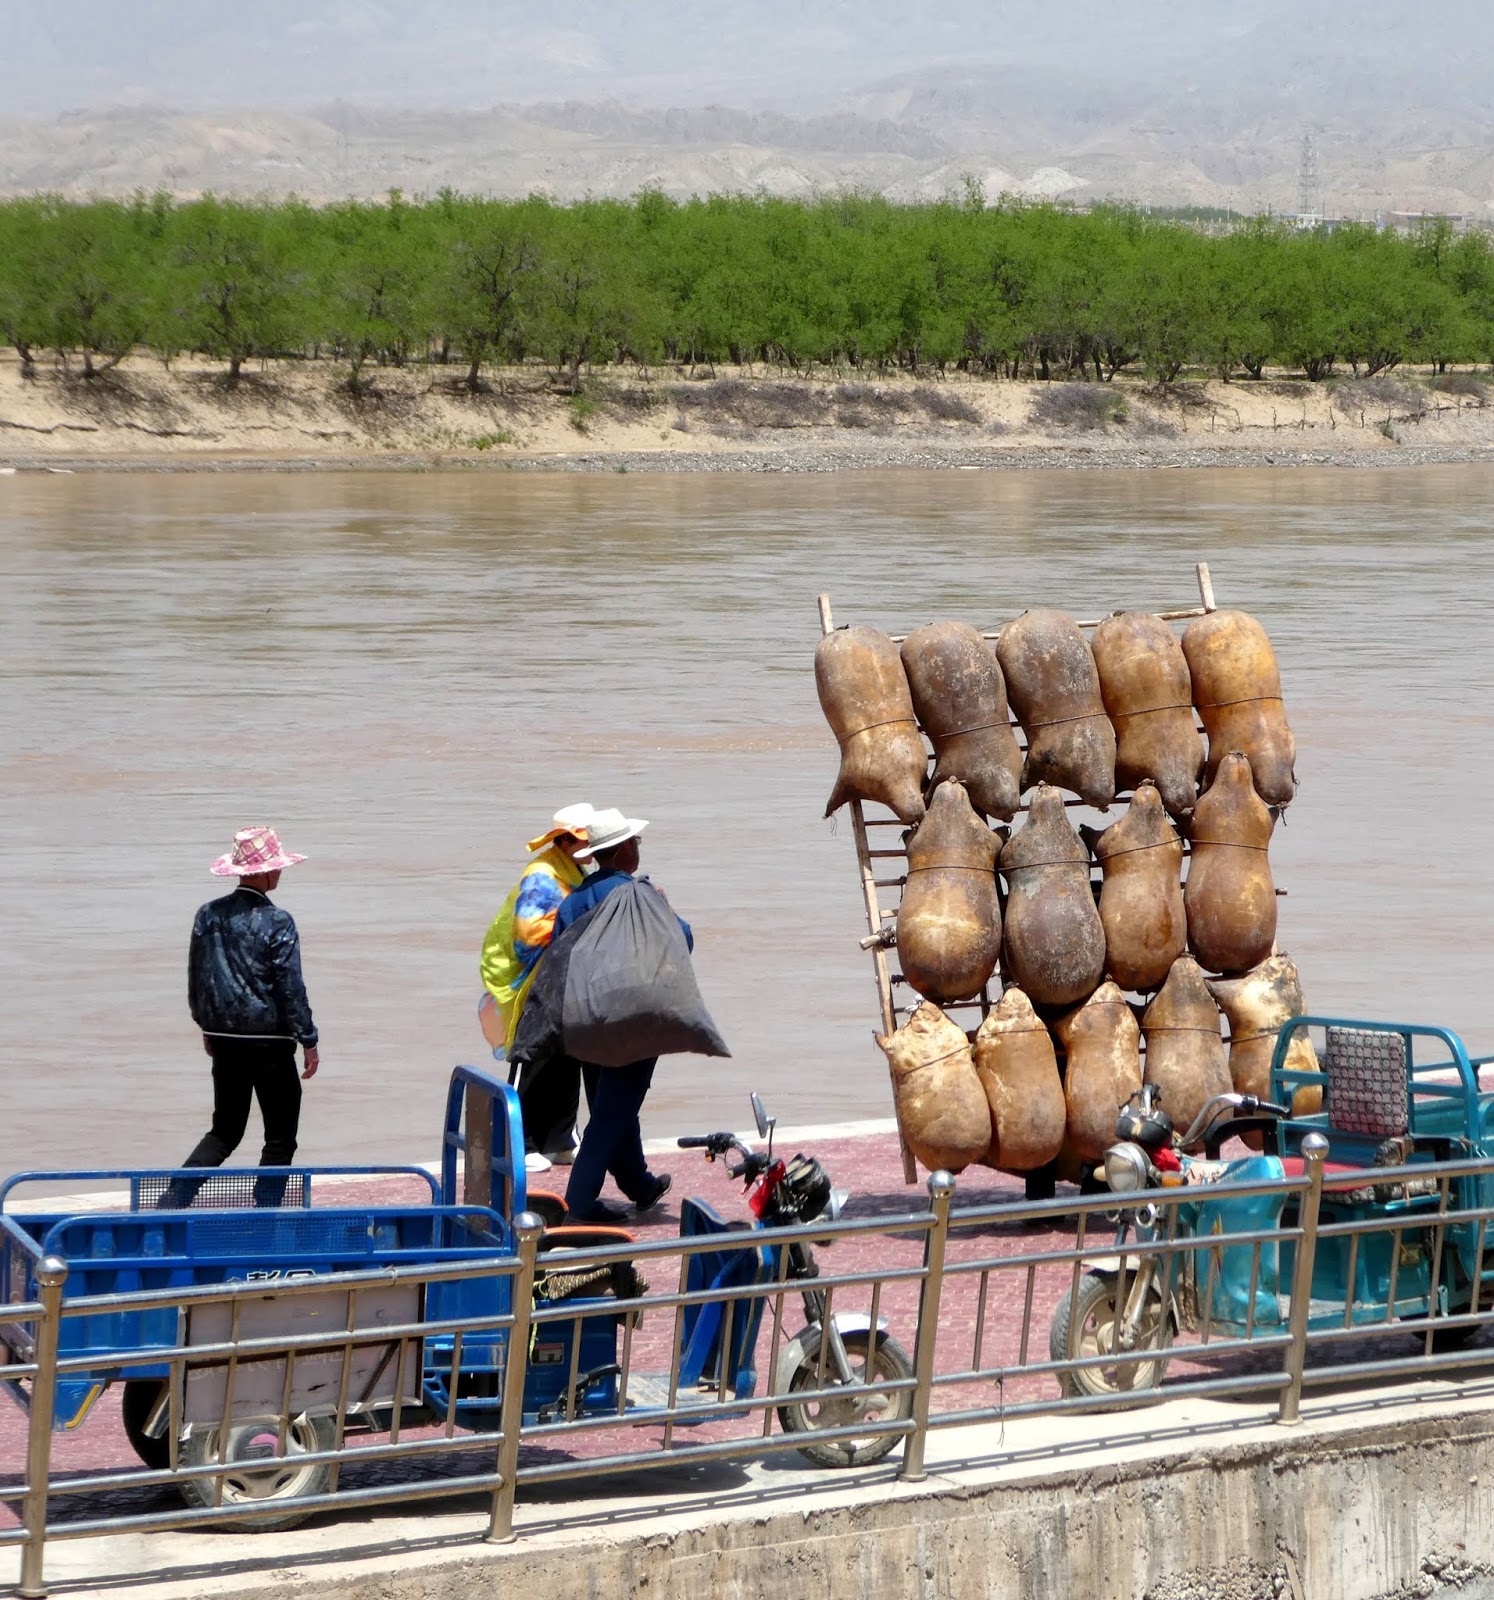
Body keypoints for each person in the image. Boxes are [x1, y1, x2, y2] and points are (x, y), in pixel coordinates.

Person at [554, 808, 692, 1224]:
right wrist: (664, 903)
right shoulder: (640, 894)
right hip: (629, 1024)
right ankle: (578, 1205)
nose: (639, 849)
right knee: (613, 1112)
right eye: (636, 843)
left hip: (585, 1021)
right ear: (622, 850)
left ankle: (639, 1185)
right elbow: (682, 940)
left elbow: (562, 956)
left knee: (610, 1105)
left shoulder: (574, 900)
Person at [172, 826, 319, 1206]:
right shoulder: (278, 922)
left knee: (224, 1132)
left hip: (224, 1040)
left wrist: (204, 1025)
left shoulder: (208, 915)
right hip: (271, 1044)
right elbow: (291, 986)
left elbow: (196, 977)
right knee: (281, 1137)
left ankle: (170, 1204)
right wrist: (309, 1039)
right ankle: (265, 1212)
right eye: (278, 867)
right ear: (266, 872)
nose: (281, 873)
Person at [478, 802, 596, 1162]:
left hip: (565, 979)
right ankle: (520, 1143)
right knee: (533, 1058)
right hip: (534, 980)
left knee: (567, 1057)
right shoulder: (543, 875)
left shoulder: (572, 871)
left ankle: (559, 1139)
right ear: (564, 841)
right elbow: (527, 934)